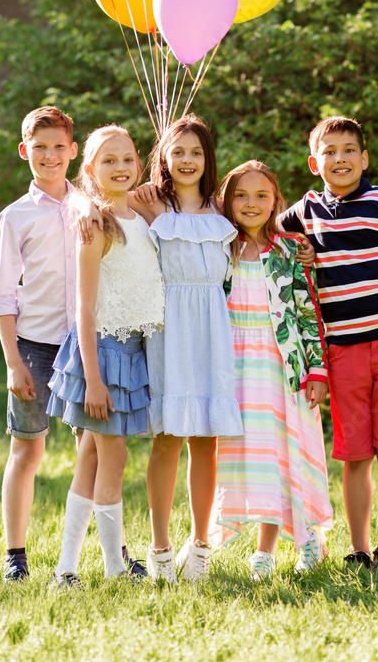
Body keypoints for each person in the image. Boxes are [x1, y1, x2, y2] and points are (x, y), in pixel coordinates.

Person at [79, 114, 243, 582]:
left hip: (211, 332)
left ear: (208, 158)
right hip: (168, 331)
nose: (187, 160)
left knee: (205, 442)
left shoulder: (222, 209)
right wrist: (84, 211)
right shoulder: (149, 203)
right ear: (164, 159)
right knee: (166, 441)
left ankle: (202, 544)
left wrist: (302, 247)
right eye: (178, 152)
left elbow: (265, 218)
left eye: (196, 152)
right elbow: (95, 194)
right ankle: (160, 547)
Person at [278, 116, 378, 569]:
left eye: (347, 150)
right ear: (314, 163)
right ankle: (358, 548)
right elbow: (263, 224)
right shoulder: (306, 208)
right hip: (340, 350)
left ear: (364, 158)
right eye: (329, 151)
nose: (339, 158)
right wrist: (302, 249)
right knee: (355, 452)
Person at [47, 125, 165, 587]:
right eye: (108, 160)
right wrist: (93, 380)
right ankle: (111, 567)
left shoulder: (139, 216)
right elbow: (85, 308)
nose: (120, 167)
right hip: (101, 353)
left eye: (128, 158)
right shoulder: (95, 224)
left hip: (133, 352)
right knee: (111, 461)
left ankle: (66, 569)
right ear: (90, 169)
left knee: (92, 462)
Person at [209, 160, 333, 580]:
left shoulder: (287, 250)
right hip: (234, 367)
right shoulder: (217, 246)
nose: (251, 203)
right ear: (226, 200)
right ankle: (251, 543)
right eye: (241, 195)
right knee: (251, 458)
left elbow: (307, 311)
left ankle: (284, 546)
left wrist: (317, 371)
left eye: (262, 195)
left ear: (276, 201)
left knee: (283, 455)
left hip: (282, 366)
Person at [0, 106, 78, 582]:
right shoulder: (15, 217)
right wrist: (12, 363)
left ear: (73, 150)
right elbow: (3, 295)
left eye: (58, 146)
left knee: (99, 451)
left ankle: (112, 547)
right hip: (34, 348)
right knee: (27, 449)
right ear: (25, 152)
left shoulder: (90, 206)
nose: (49, 155)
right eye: (39, 147)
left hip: (85, 345)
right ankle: (16, 556)